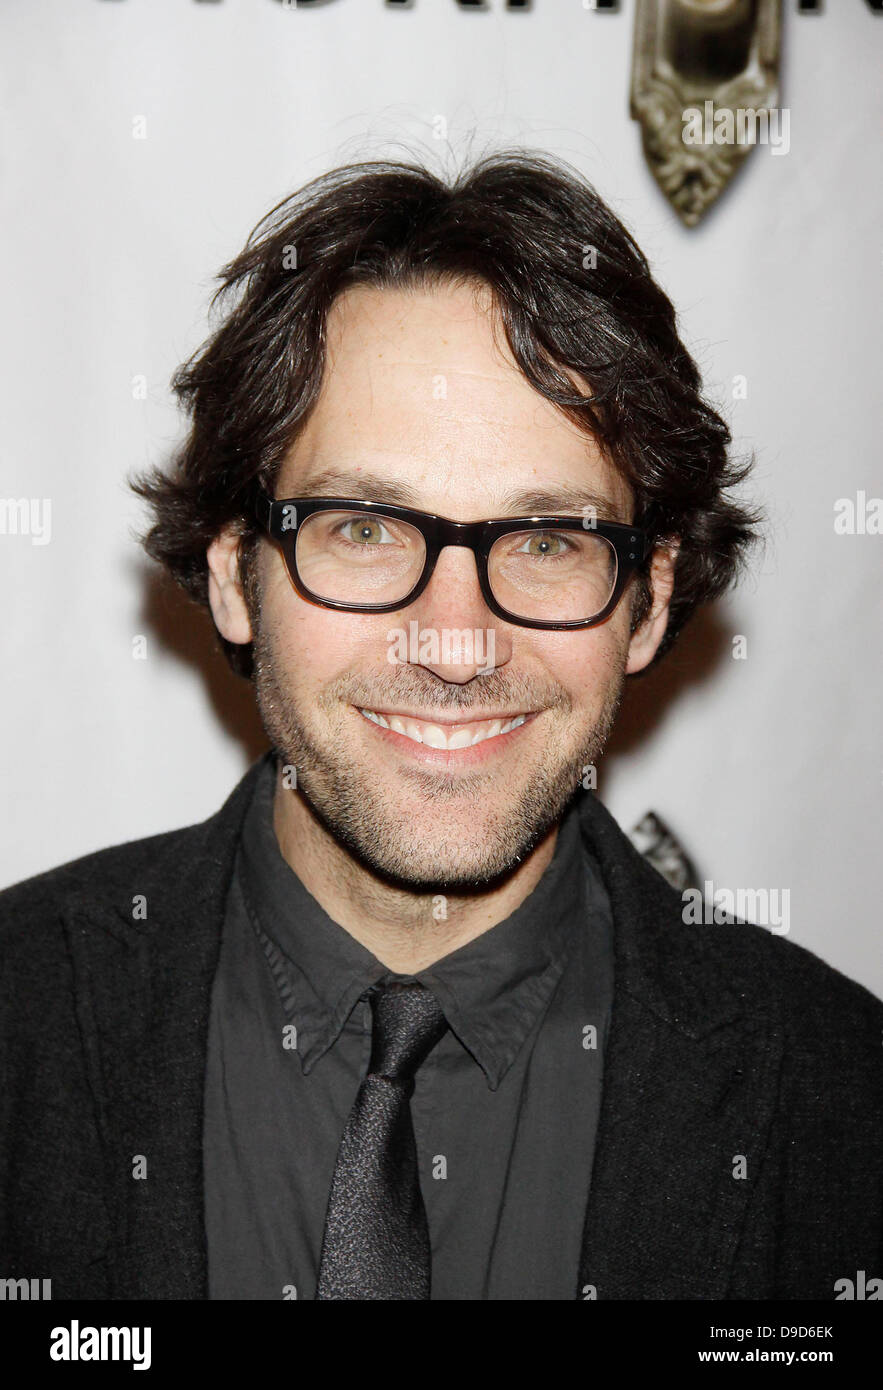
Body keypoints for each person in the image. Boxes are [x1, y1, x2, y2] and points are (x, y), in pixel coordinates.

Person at [2, 152, 880, 1301]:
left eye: (547, 540)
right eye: (364, 529)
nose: (455, 645)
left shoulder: (844, 1098)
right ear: (233, 574)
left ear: (650, 599)